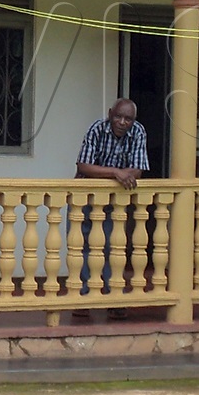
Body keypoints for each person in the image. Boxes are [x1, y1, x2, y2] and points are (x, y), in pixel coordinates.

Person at [72, 99, 149, 318]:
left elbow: (138, 170)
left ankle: (113, 297)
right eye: (118, 116)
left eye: (128, 119)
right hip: (85, 197)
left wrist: (115, 174)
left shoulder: (138, 132)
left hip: (114, 201)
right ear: (109, 114)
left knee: (112, 246)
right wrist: (116, 172)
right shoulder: (97, 129)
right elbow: (83, 166)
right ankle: (83, 298)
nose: (122, 122)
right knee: (82, 246)